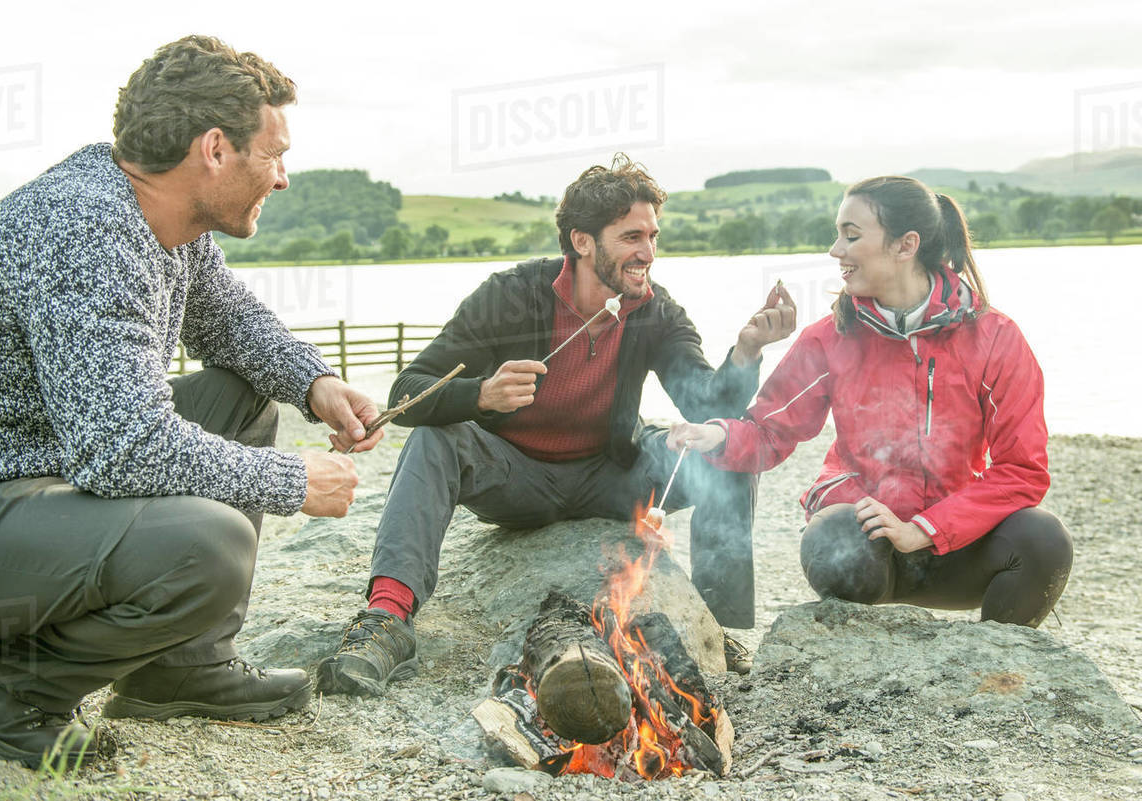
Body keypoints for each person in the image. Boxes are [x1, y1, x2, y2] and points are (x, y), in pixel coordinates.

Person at [0, 35, 382, 768]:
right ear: (215, 148)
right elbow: (122, 448)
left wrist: (317, 383)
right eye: (274, 154)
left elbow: (230, 321)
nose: (283, 178)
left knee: (240, 399)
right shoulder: (86, 226)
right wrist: (292, 481)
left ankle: (179, 665)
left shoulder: (156, 215)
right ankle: (13, 686)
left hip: (27, 477)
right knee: (208, 546)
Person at [315, 154, 796, 698]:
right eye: (631, 236)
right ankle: (387, 620)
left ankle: (714, 626)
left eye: (654, 236)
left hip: (611, 475)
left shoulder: (655, 310)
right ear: (583, 241)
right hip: (516, 480)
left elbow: (709, 402)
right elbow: (408, 391)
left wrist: (750, 348)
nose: (648, 252)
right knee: (434, 438)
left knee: (725, 450)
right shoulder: (510, 296)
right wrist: (482, 394)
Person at [668, 176, 1072, 628]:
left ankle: (996, 663)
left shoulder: (995, 337)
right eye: (838, 234)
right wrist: (717, 434)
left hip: (957, 547)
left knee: (1044, 540)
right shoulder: (828, 338)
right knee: (832, 537)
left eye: (851, 235)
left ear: (905, 246)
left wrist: (924, 529)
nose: (835, 250)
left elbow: (1022, 470)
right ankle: (864, 650)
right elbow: (769, 432)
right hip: (868, 552)